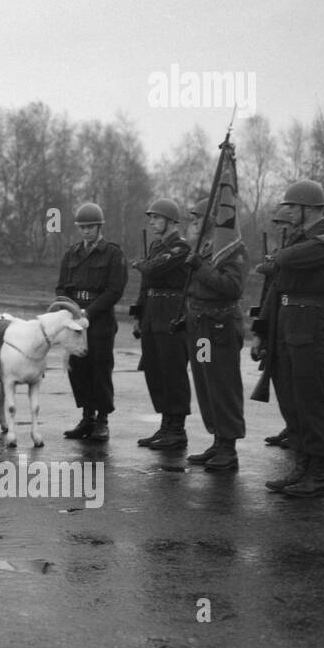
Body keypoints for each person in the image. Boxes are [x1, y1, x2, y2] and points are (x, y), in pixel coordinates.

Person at [258, 180, 324, 498]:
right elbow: (278, 284)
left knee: (311, 398)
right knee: (292, 398)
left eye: (293, 206)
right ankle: (301, 465)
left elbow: (287, 259)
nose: (288, 211)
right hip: (289, 319)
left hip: (313, 320)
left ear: (309, 208)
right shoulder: (298, 238)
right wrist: (262, 328)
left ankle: (317, 474)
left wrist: (277, 258)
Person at [182, 198, 247, 470]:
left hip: (219, 326)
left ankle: (228, 447)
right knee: (206, 382)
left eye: (197, 217)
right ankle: (218, 440)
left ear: (212, 220)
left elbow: (232, 287)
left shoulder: (231, 249)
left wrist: (201, 268)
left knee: (222, 383)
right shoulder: (202, 249)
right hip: (201, 326)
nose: (193, 222)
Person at [57, 202, 128, 442]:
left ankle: (102, 420)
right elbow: (61, 287)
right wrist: (68, 310)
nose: (86, 231)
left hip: (100, 320)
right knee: (78, 369)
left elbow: (114, 290)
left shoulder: (113, 253)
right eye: (82, 227)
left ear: (99, 227)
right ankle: (87, 417)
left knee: (100, 368)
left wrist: (89, 313)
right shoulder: (72, 253)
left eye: (90, 227)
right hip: (75, 320)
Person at [132, 198, 192, 449]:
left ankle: (177, 429)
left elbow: (154, 270)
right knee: (155, 370)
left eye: (157, 217)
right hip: (152, 311)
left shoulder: (181, 247)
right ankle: (166, 425)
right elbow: (146, 283)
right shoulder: (156, 246)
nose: (152, 222)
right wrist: (138, 315)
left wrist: (142, 265)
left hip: (171, 313)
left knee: (173, 371)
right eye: (152, 218)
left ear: (170, 221)